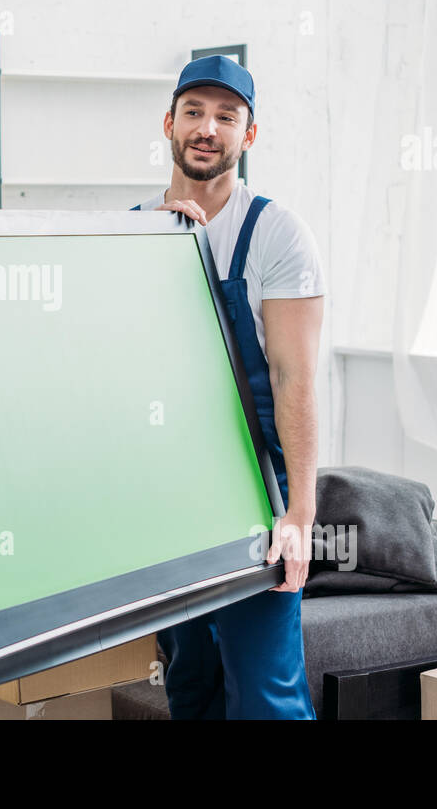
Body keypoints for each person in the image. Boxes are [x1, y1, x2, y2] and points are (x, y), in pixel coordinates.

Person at [132, 55, 324, 719]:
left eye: (226, 115)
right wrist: (168, 249)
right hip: (166, 498)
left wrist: (299, 512)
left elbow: (295, 377)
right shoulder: (133, 232)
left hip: (253, 495)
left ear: (250, 133)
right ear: (169, 123)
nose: (207, 127)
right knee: (192, 686)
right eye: (194, 111)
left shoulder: (276, 232)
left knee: (267, 696)